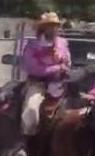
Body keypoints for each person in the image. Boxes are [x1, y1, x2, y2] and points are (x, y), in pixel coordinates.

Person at [20, 11, 70, 139]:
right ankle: (26, 142)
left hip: (61, 83)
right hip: (38, 83)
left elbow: (68, 61)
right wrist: (57, 67)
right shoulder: (32, 45)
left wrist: (66, 66)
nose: (54, 29)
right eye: (50, 25)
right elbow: (33, 68)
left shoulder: (63, 42)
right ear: (43, 28)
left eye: (56, 25)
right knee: (31, 108)